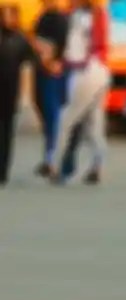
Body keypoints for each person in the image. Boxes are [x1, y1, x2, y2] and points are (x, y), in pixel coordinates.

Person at [48, 0, 107, 185]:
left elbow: (76, 53)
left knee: (66, 119)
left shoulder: (78, 18)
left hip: (84, 71)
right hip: (101, 70)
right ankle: (98, 166)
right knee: (94, 122)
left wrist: (60, 63)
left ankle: (54, 165)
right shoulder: (98, 14)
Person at [31, 0, 74, 178]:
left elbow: (64, 44)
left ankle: (54, 160)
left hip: (55, 71)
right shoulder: (43, 18)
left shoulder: (60, 19)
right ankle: (52, 158)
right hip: (45, 70)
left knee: (54, 115)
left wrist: (55, 62)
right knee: (49, 114)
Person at [0, 0, 36, 185]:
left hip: (10, 92)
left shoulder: (21, 40)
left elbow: (28, 66)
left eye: (10, 15)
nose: (7, 19)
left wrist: (26, 96)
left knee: (6, 132)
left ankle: (3, 171)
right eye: (4, 15)